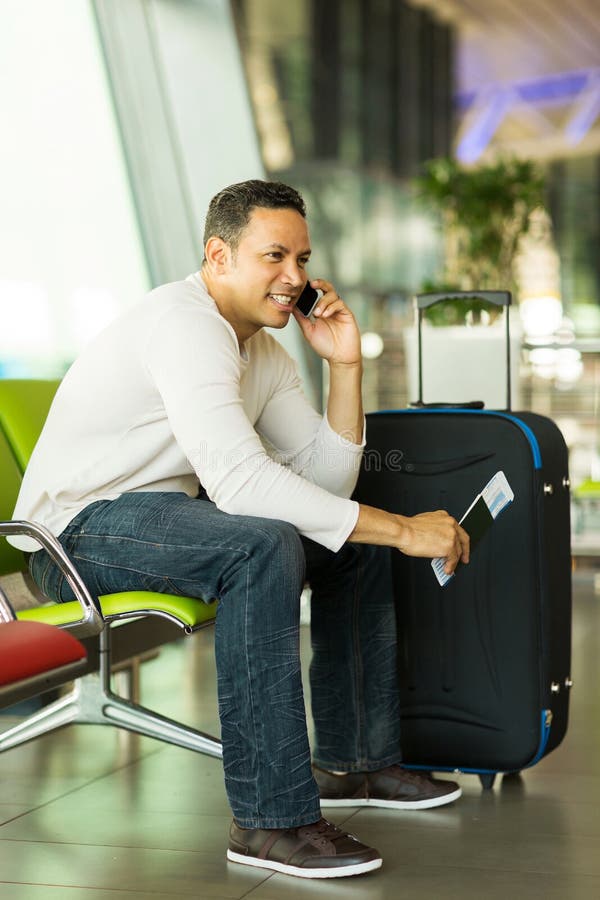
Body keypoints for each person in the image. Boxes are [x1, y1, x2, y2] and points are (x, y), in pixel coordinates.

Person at [11, 179, 469, 880]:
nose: (296, 278)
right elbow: (243, 485)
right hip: (77, 535)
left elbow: (324, 490)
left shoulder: (265, 354)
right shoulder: (184, 325)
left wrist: (345, 365)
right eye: (275, 257)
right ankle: (269, 819)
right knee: (264, 542)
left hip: (169, 523)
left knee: (344, 543)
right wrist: (406, 530)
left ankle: (357, 763)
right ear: (218, 256)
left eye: (303, 259)